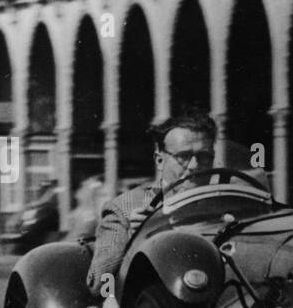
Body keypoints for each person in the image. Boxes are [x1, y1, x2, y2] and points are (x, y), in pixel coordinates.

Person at [84, 110, 217, 295]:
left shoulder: (223, 204)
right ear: (160, 161)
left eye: (204, 157)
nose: (194, 165)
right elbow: (100, 283)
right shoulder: (126, 208)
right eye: (183, 156)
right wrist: (136, 237)